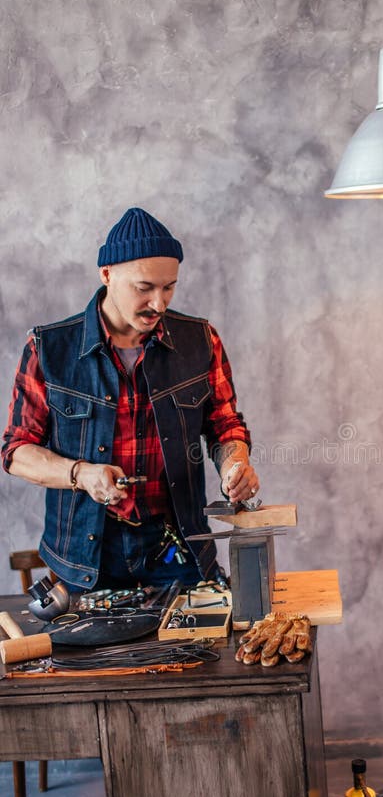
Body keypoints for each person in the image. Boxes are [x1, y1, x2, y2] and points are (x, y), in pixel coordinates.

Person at [2, 207, 259, 593]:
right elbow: (16, 450)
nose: (159, 303)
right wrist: (81, 474)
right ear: (106, 274)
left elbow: (224, 425)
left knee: (199, 654)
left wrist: (235, 463)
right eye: (144, 287)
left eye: (169, 286)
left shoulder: (201, 340)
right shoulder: (48, 348)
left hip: (177, 550)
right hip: (83, 559)